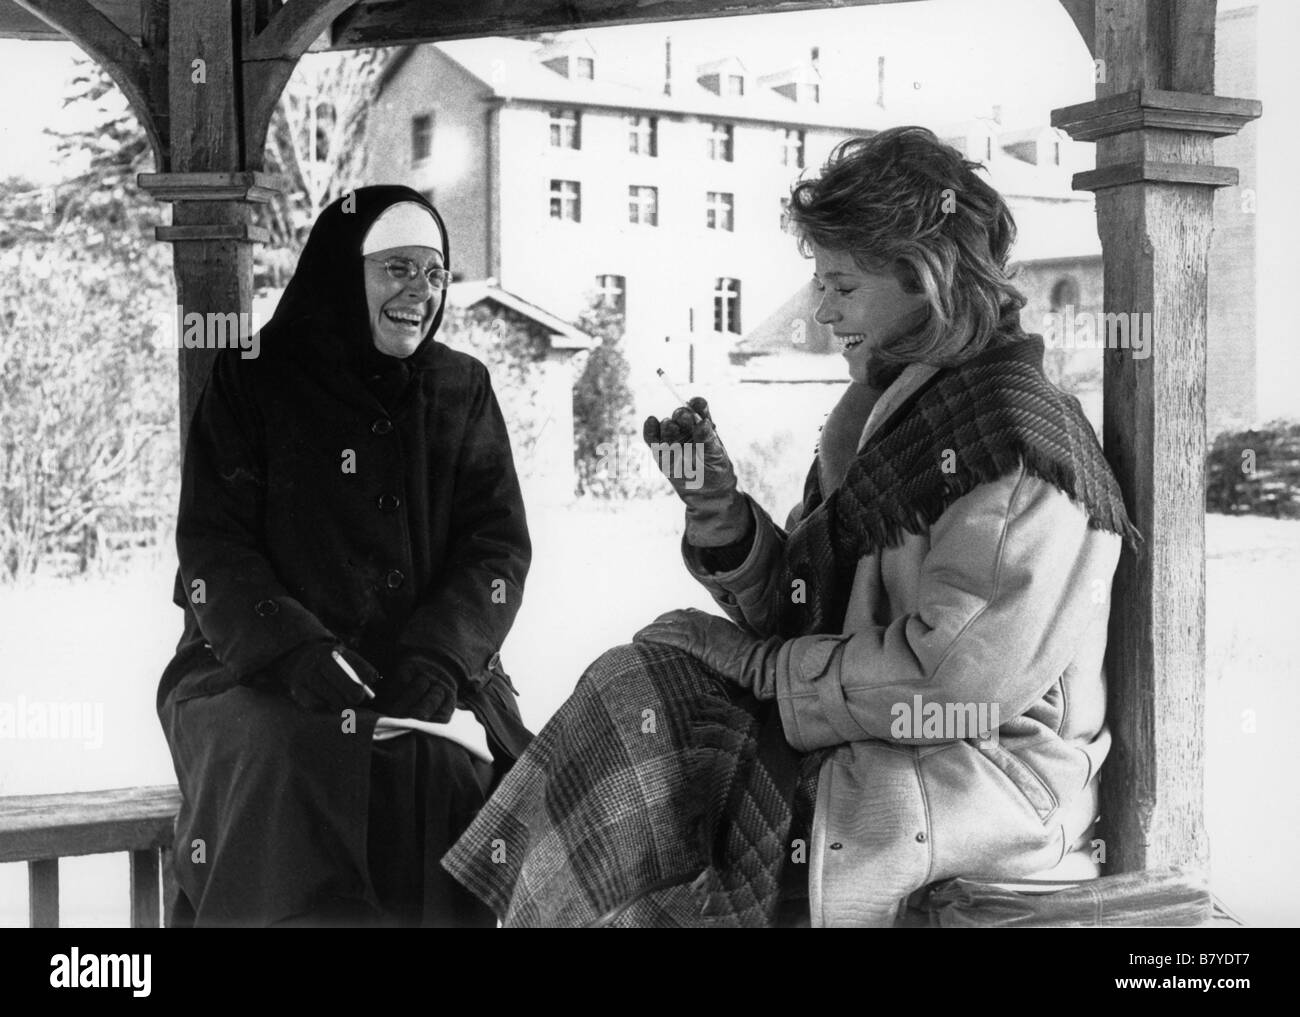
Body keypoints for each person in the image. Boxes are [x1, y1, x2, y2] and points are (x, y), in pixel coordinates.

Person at [442, 127, 1138, 927]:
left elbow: (950, 681)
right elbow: (808, 608)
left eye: (841, 285)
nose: (820, 308)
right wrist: (720, 512)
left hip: (968, 779)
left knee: (661, 776)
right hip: (870, 737)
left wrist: (764, 668)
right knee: (636, 682)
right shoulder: (884, 418)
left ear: (927, 280)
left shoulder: (1016, 446)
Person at [156, 186, 532, 927]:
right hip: (252, 664)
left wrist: (441, 657)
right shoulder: (253, 377)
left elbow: (496, 545)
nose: (419, 293)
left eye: (434, 273)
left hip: (425, 671)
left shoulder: (461, 388)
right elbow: (214, 546)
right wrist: (293, 649)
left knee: (454, 771)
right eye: (397, 268)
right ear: (342, 273)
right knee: (287, 761)